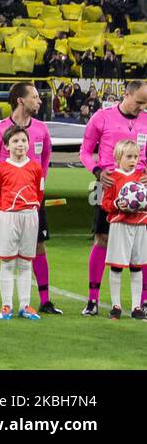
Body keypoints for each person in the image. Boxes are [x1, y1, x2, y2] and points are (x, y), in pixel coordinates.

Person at [0, 82, 59, 315]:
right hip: (5, 202)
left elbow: (45, 160)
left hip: (32, 202)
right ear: (21, 100)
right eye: (34, 97)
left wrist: (39, 189)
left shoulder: (41, 129)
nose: (39, 101)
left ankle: (44, 301)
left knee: (38, 247)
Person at [79, 79, 147, 316]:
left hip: (140, 191)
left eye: (145, 104)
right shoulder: (102, 117)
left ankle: (143, 301)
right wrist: (97, 172)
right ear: (126, 95)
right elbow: (85, 151)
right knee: (102, 238)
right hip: (108, 187)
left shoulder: (146, 120)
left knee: (142, 244)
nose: (141, 107)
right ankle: (93, 299)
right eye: (139, 102)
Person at [0, 124, 45, 320]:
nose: (20, 144)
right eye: (15, 141)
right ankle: (6, 306)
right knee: (7, 262)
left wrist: (31, 210)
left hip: (30, 216)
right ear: (6, 146)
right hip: (8, 216)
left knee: (25, 262)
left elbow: (40, 193)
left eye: (23, 140)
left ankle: (25, 305)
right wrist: (4, 212)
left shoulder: (36, 167)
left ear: (28, 144)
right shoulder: (0, 169)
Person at [100, 140, 147, 319]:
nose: (133, 160)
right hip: (120, 225)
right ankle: (116, 306)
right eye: (129, 156)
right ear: (118, 158)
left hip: (140, 225)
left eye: (136, 156)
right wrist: (117, 204)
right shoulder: (113, 178)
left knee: (136, 267)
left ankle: (136, 307)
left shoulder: (141, 177)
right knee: (117, 266)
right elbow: (105, 203)